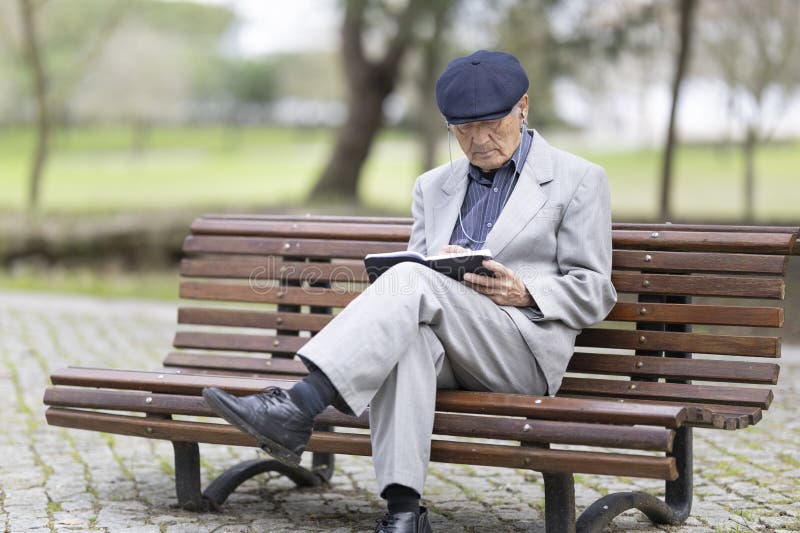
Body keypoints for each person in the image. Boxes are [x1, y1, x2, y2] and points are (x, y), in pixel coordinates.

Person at [203, 49, 617, 533]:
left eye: (491, 124)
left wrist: (525, 290)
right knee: (408, 338)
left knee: (413, 281)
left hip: (520, 352)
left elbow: (596, 289)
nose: (478, 140)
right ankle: (404, 514)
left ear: (523, 107)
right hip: (449, 345)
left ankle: (299, 404)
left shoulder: (578, 179)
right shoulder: (432, 186)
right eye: (462, 128)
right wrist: (432, 268)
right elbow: (412, 284)